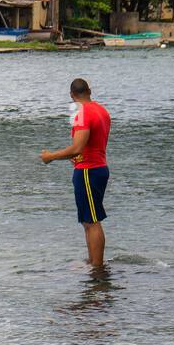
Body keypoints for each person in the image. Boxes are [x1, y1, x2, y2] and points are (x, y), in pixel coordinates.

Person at [41, 78, 111, 267]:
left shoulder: (82, 113)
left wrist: (50, 156)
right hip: (98, 168)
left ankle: (97, 268)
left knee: (92, 221)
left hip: (88, 171)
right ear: (90, 91)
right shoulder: (102, 110)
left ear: (72, 95)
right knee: (89, 221)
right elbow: (92, 144)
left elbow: (77, 148)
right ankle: (93, 263)